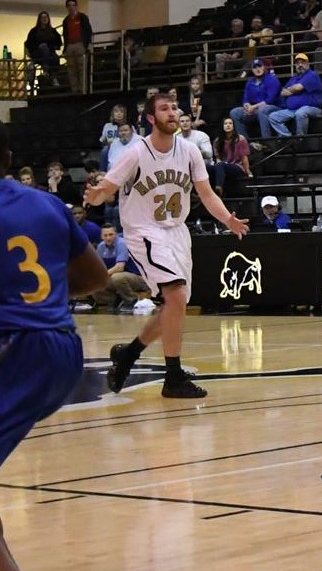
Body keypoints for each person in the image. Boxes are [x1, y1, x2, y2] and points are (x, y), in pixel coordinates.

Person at [0, 121, 110, 571]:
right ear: (9, 159)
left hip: (16, 347)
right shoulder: (46, 203)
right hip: (62, 348)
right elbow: (96, 278)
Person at [89, 97, 247, 399]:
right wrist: (95, 196)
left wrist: (228, 219)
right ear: (150, 118)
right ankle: (173, 376)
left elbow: (206, 193)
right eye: (165, 109)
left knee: (176, 305)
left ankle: (129, 353)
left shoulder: (189, 151)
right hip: (143, 231)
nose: (172, 113)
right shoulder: (136, 153)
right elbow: (105, 190)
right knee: (174, 295)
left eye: (175, 108)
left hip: (177, 232)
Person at [267, 52, 322, 136]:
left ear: (308, 64)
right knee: (273, 116)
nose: (300, 65)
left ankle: (300, 138)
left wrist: (290, 90)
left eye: (303, 62)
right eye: (297, 63)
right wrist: (293, 89)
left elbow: (298, 88)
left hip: (313, 108)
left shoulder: (312, 74)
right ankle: (287, 137)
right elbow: (282, 93)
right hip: (293, 109)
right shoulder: (294, 78)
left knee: (300, 113)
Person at [230, 58, 280, 139]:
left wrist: (253, 107)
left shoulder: (272, 79)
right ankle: (244, 141)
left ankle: (267, 140)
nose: (257, 69)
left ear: (263, 67)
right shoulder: (250, 81)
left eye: (259, 66)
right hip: (254, 109)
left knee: (262, 109)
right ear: (252, 70)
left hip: (272, 108)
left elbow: (270, 100)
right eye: (255, 67)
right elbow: (245, 98)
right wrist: (247, 106)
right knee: (234, 112)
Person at [61, 0, 93, 92]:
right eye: (69, 5)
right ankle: (75, 90)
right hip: (70, 45)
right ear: (67, 7)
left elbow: (88, 31)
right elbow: (65, 35)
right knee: (71, 69)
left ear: (76, 6)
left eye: (73, 5)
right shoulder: (66, 20)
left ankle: (83, 90)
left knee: (82, 68)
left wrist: (88, 44)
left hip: (80, 44)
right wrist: (65, 48)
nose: (71, 7)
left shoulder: (82, 17)